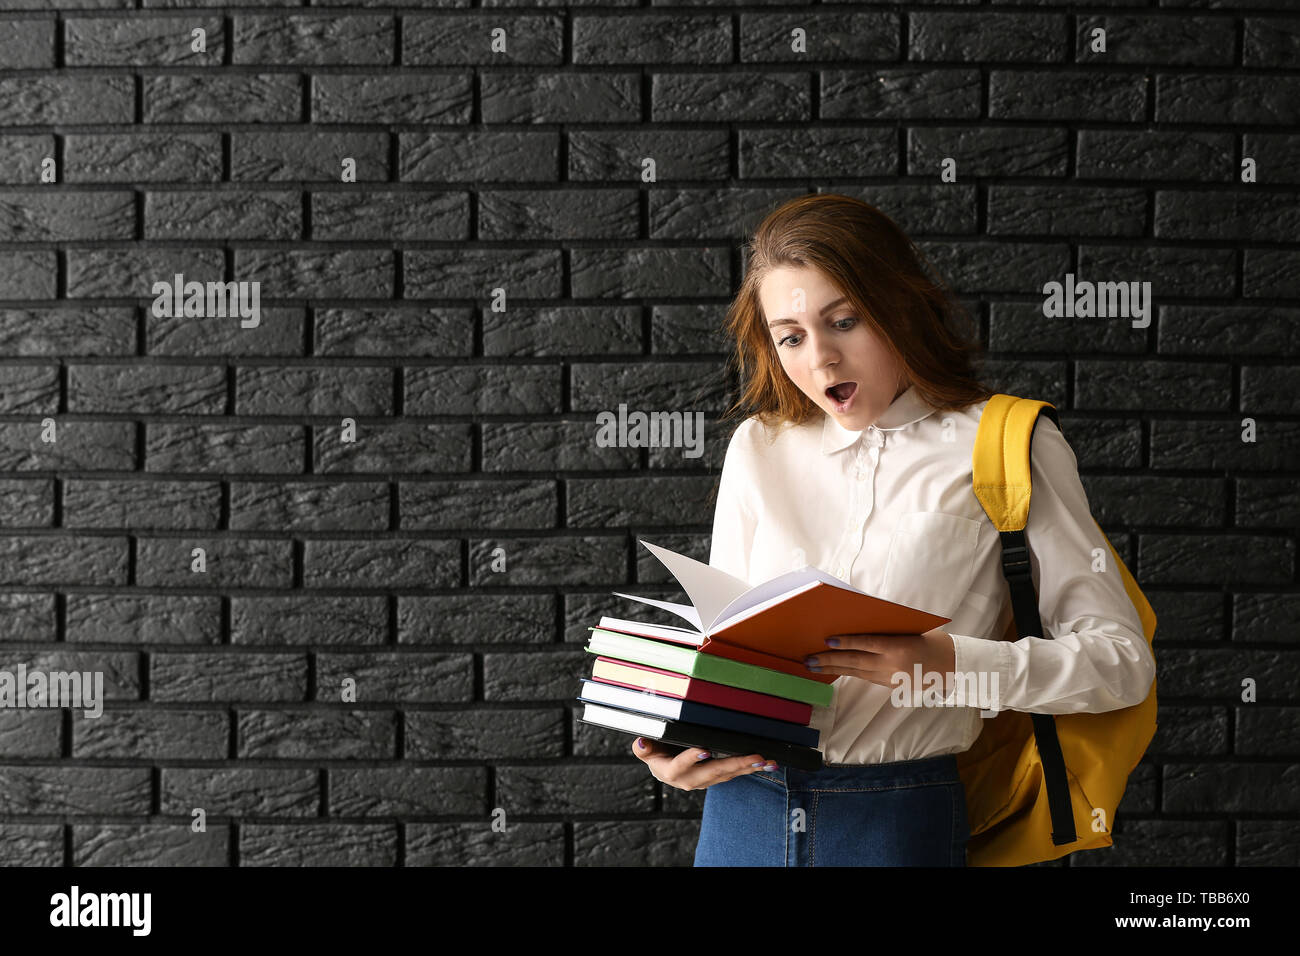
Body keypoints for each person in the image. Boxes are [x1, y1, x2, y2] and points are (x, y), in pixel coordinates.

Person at [631, 194, 1157, 867]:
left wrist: (953, 666)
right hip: (742, 814)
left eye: (843, 321)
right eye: (790, 335)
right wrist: (681, 743)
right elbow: (730, 655)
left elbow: (1122, 663)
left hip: (898, 816)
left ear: (900, 306)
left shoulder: (1007, 444)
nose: (819, 359)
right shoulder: (758, 447)